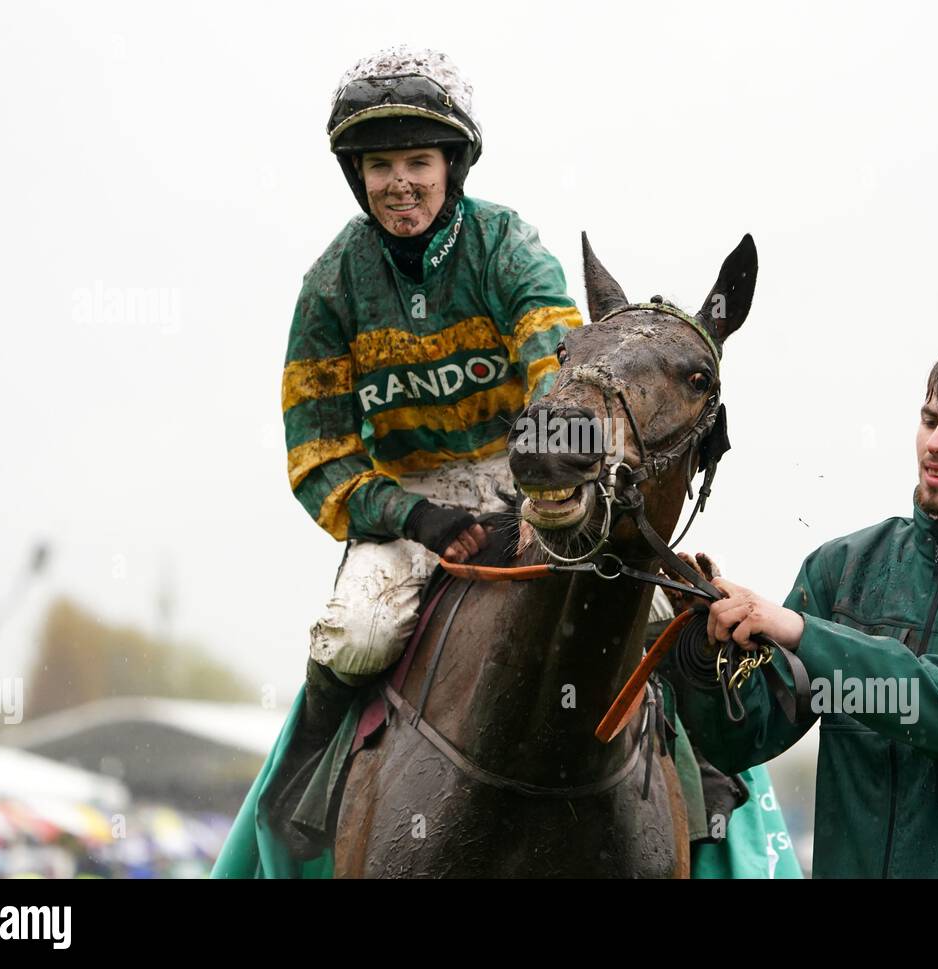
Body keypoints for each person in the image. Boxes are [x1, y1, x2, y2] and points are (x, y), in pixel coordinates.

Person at [212, 45, 801, 878]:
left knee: (665, 619)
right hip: (404, 506)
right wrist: (417, 518)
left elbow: (555, 368)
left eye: (418, 162)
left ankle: (716, 812)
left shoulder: (508, 248)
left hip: (527, 474)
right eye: (381, 166)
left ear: (451, 167)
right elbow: (317, 458)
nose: (401, 183)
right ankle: (295, 807)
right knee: (355, 634)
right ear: (358, 176)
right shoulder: (330, 288)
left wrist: (542, 482)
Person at [663, 338, 938, 877]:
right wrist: (704, 647)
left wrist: (804, 633)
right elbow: (743, 740)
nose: (936, 443)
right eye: (930, 420)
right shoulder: (842, 568)